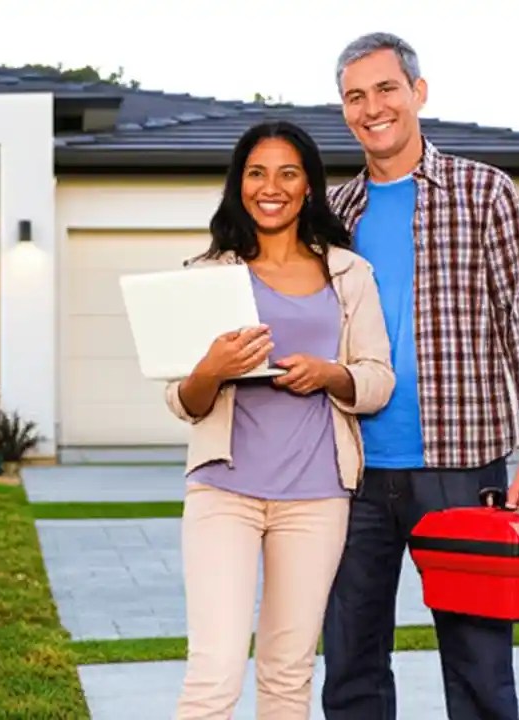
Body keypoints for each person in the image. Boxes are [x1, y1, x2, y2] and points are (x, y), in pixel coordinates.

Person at [319, 32, 519, 720]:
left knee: (479, 665)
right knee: (350, 664)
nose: (372, 108)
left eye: (386, 89)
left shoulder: (484, 192)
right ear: (344, 110)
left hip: (463, 471)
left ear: (418, 92)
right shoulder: (333, 213)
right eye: (355, 97)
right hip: (353, 472)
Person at [164, 119, 395, 719]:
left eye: (288, 173)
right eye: (257, 173)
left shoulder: (348, 274)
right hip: (224, 493)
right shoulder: (209, 274)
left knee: (289, 674)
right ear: (238, 184)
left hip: (317, 498)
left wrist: (329, 374)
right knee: (214, 673)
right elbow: (183, 401)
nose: (272, 187)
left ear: (309, 186)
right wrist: (212, 368)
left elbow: (377, 379)